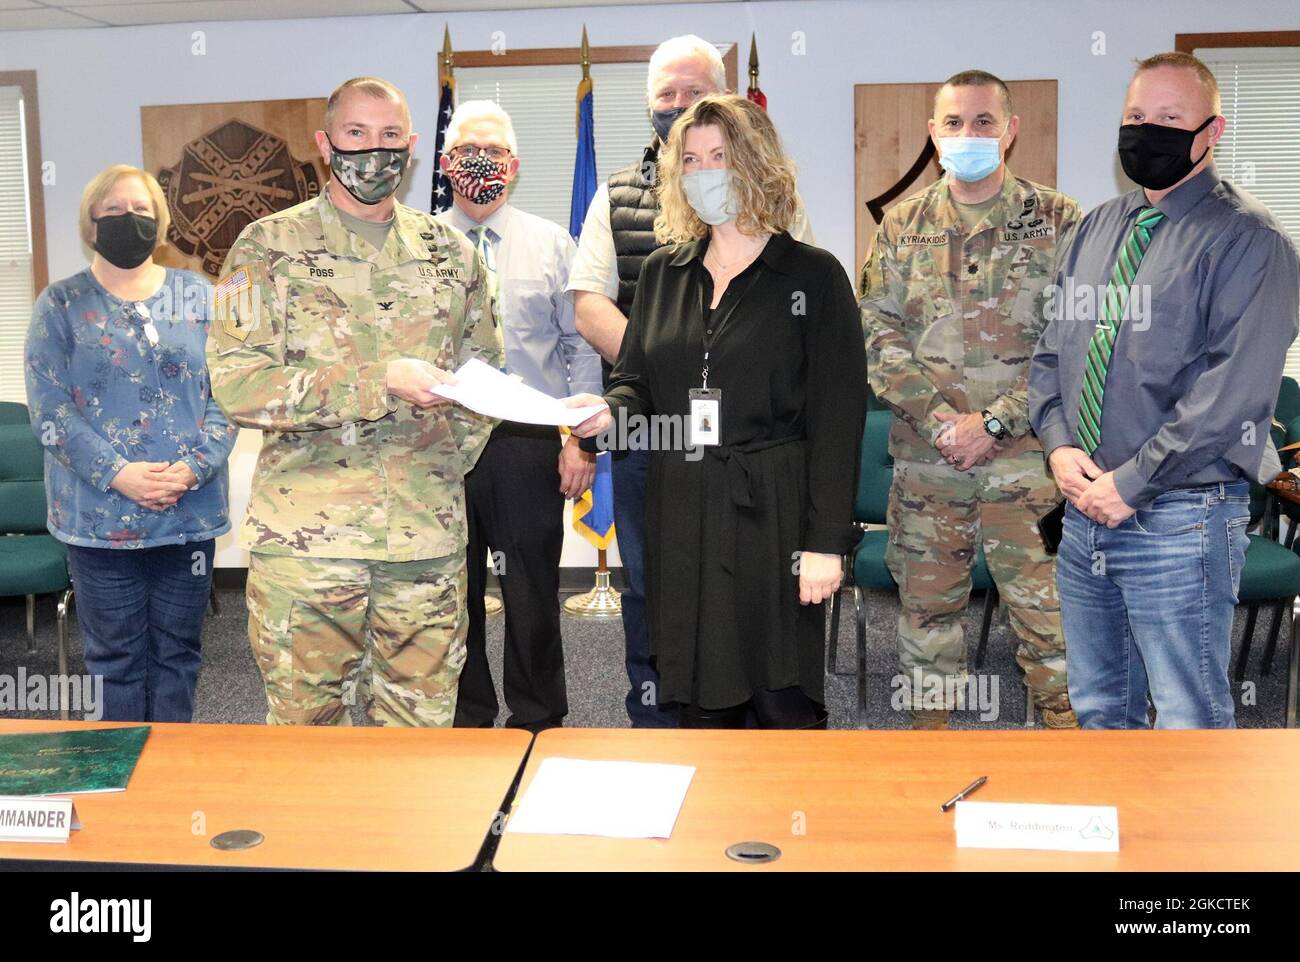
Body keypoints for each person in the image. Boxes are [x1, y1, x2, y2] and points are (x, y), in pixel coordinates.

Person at [207, 76, 501, 727]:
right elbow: (235, 382)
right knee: (308, 742)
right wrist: (376, 382)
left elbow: (485, 377)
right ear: (325, 143)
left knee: (420, 738)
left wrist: (439, 464)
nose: (375, 150)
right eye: (357, 134)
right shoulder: (266, 247)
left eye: (390, 135)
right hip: (307, 545)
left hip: (425, 540)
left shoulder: (451, 253)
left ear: (413, 145)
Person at [567, 95, 865, 729]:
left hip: (775, 511)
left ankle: (792, 819)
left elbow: (838, 423)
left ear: (754, 162)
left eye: (719, 157)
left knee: (778, 695)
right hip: (681, 506)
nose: (703, 173)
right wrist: (604, 416)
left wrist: (825, 544)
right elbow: (636, 387)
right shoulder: (662, 273)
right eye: (691, 160)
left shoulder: (812, 276)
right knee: (697, 688)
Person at [1029, 52, 1300, 729]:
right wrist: (1061, 452)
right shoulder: (1096, 228)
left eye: (1169, 118)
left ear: (1211, 131)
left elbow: (1231, 396)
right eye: (1136, 117)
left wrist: (1130, 483)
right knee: (1099, 707)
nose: (1147, 131)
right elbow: (1049, 356)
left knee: (1188, 718)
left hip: (1181, 516)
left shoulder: (1249, 240)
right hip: (1084, 510)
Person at [860, 70, 1081, 730]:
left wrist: (993, 421)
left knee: (1053, 631)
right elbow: (877, 330)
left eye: (984, 121)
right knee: (928, 626)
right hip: (929, 468)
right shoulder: (902, 226)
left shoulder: (1059, 220)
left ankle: (1080, 772)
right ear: (933, 134)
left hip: (1029, 469)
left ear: (1011, 131)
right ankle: (931, 767)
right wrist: (940, 421)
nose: (968, 134)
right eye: (954, 123)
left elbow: (1071, 342)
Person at [25, 164, 237, 722]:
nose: (130, 220)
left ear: (160, 222)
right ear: (91, 224)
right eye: (115, 211)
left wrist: (192, 469)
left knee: (178, 655)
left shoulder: (199, 296)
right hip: (99, 520)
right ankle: (121, 788)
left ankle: (169, 782)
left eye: (142, 211)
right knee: (114, 660)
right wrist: (119, 473)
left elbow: (231, 394)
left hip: (186, 512)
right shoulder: (61, 305)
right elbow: (49, 410)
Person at [435, 101, 601, 732]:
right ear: (447, 164)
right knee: (456, 592)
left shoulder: (553, 244)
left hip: (529, 442)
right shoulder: (418, 244)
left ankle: (537, 717)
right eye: (469, 151)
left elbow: (578, 348)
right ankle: (468, 716)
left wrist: (579, 444)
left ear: (515, 165)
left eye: (495, 152)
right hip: (445, 444)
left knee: (532, 591)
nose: (482, 162)